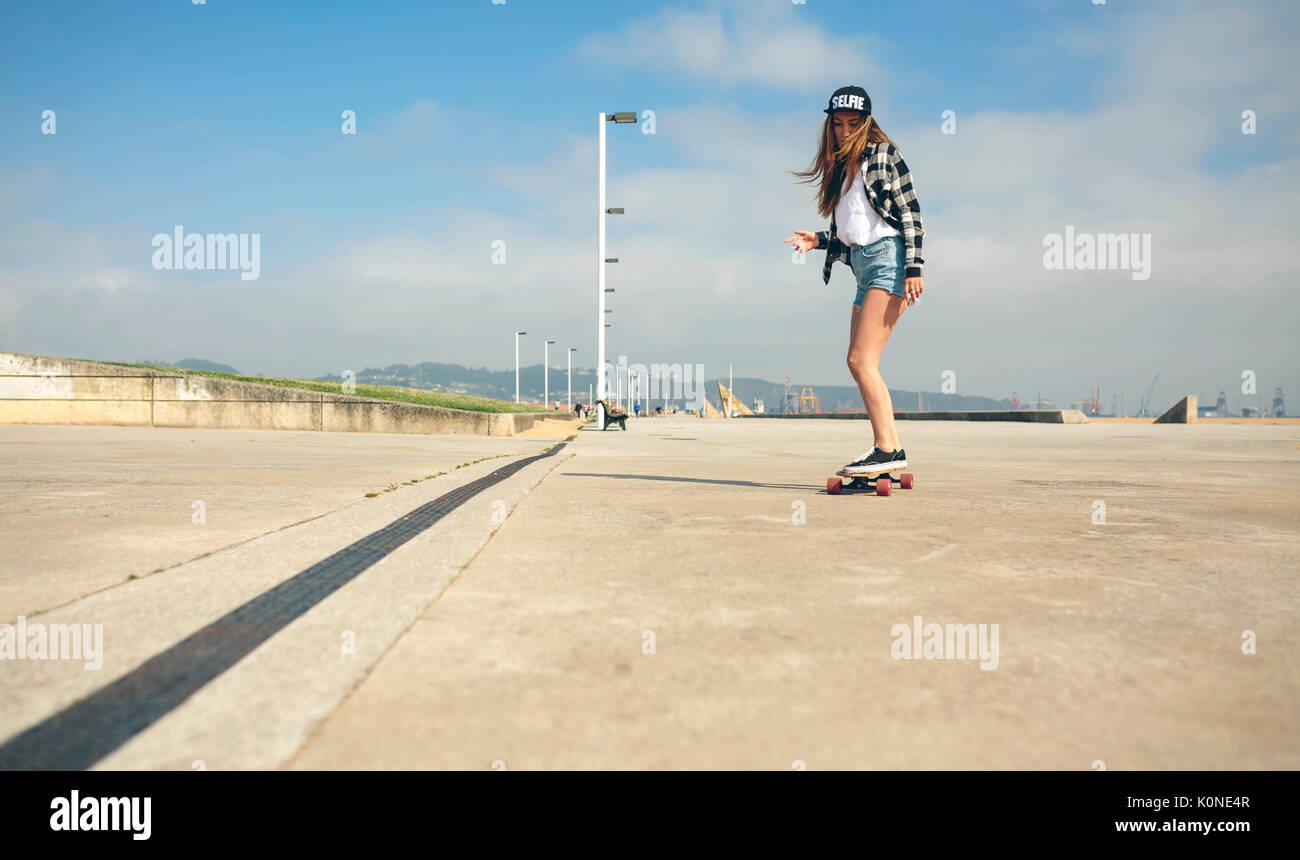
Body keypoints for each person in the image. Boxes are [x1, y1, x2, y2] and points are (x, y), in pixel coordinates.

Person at [784, 85, 924, 477]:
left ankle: (885, 448)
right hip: (865, 268)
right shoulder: (842, 173)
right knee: (863, 362)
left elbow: (910, 216)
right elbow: (854, 236)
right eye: (838, 123)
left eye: (853, 124)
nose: (845, 131)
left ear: (866, 124)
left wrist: (914, 268)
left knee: (860, 360)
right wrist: (818, 240)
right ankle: (892, 447)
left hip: (889, 263)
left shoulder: (883, 156)